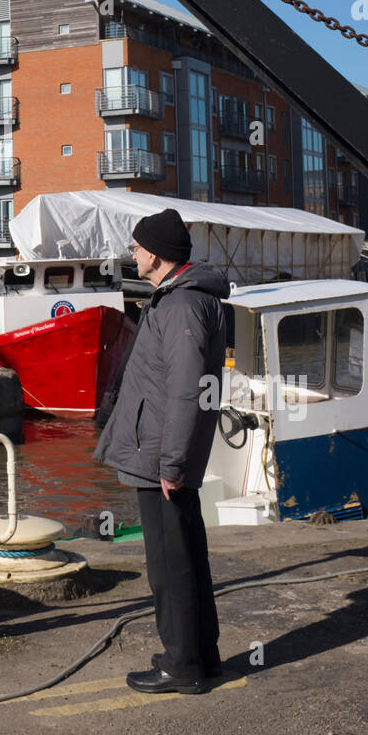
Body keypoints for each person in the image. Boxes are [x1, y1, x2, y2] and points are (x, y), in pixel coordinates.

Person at [93, 207, 229, 695]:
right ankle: (200, 656)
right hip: (164, 454)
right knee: (186, 556)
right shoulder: (182, 300)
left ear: (154, 254)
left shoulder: (181, 307)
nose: (132, 254)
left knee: (169, 567)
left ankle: (181, 666)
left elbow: (186, 390)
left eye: (136, 247)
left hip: (160, 460)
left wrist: (171, 463)